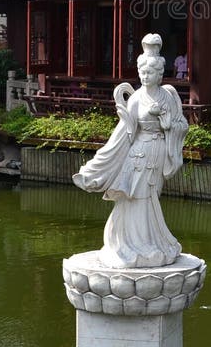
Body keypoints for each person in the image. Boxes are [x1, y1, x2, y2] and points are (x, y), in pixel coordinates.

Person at [72, 33, 188, 268]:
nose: (145, 77)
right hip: (138, 155)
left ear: (160, 74)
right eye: (142, 72)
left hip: (159, 151)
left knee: (151, 197)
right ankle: (125, 243)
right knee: (134, 196)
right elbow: (123, 133)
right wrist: (97, 166)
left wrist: (167, 123)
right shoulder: (135, 99)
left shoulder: (169, 96)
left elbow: (181, 125)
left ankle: (152, 242)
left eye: (150, 73)